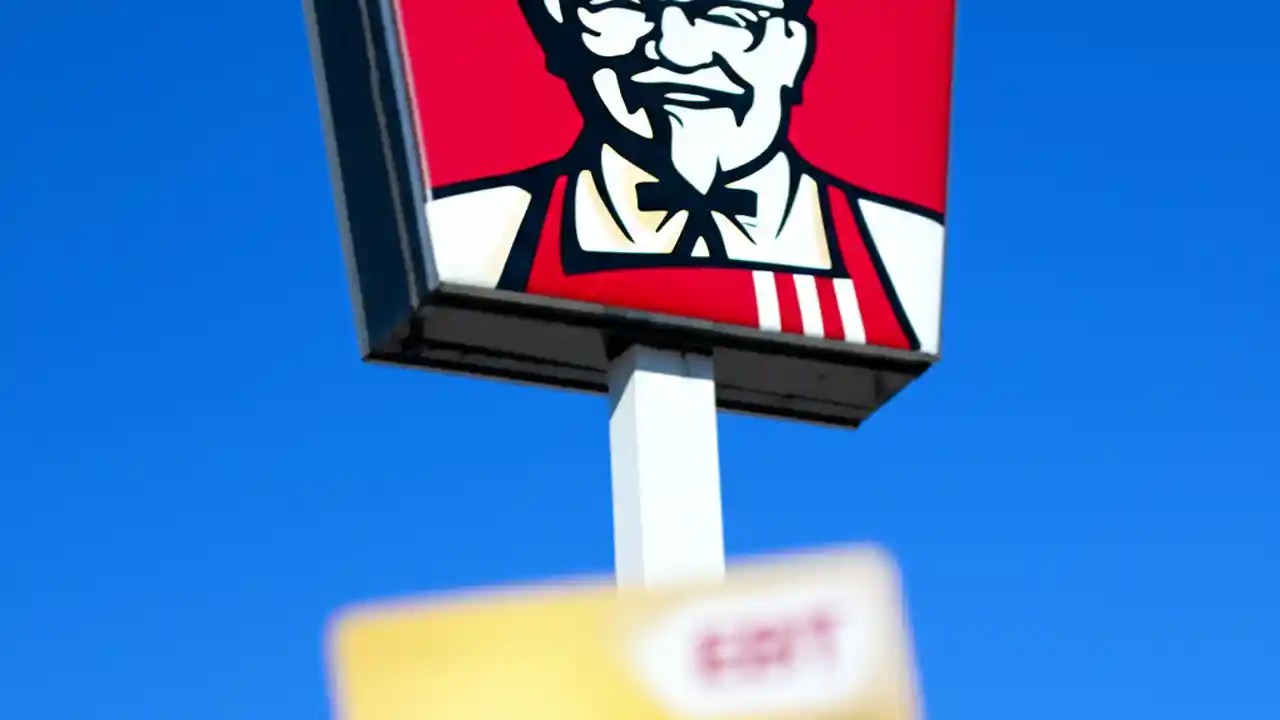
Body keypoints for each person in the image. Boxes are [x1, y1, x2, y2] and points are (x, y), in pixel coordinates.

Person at [427, 0, 944, 353]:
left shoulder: (894, 249)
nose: (678, 50)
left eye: (729, 14)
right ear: (562, 42)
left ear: (793, 49)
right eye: (624, 9)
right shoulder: (474, 234)